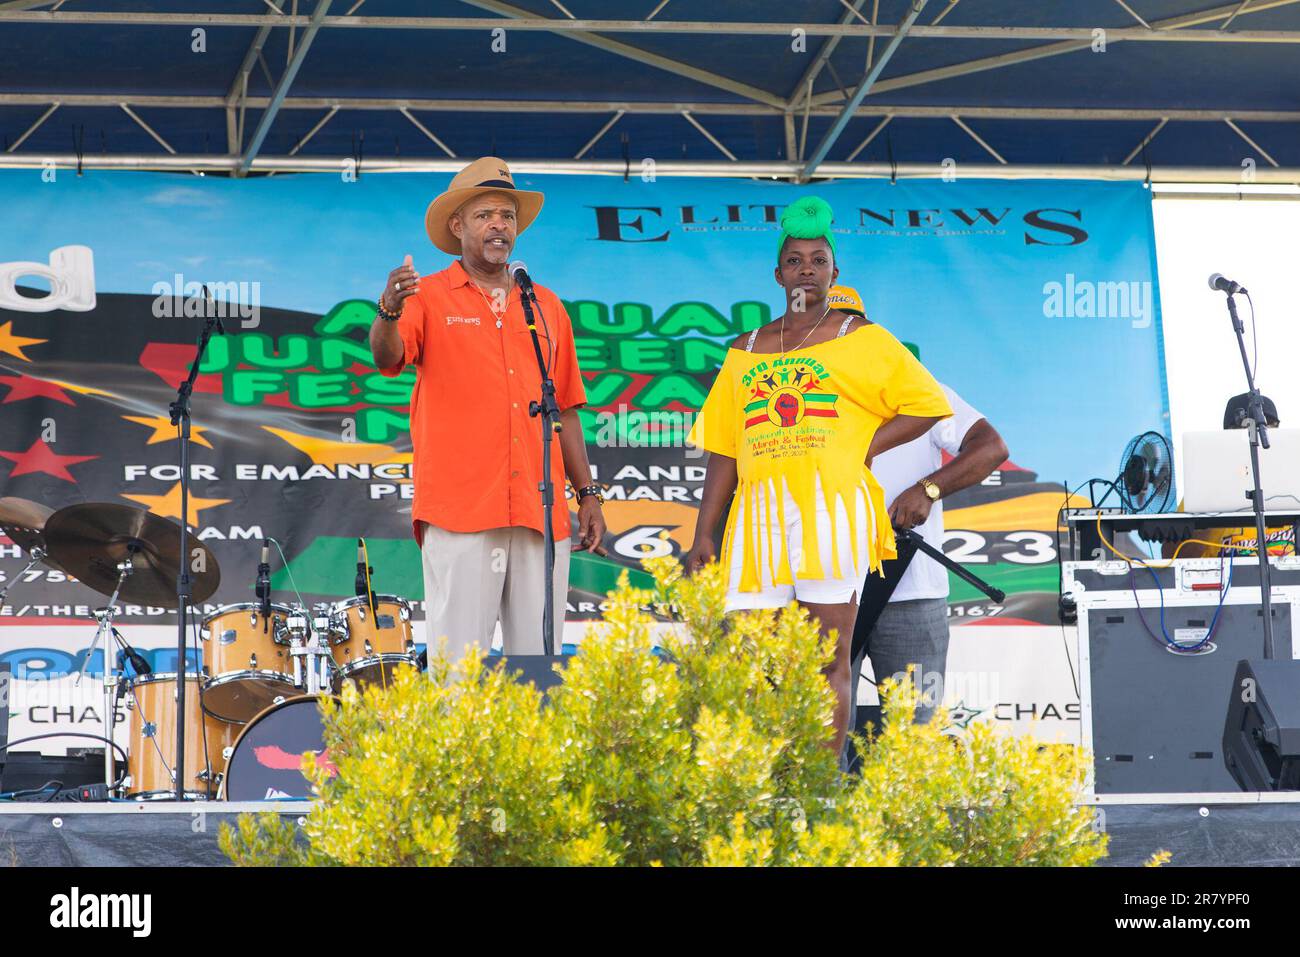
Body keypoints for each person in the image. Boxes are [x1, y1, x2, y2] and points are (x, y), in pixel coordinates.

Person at [683, 197, 953, 754]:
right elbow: (725, 448)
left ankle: (819, 787)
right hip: (757, 515)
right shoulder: (746, 349)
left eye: (818, 260)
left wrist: (861, 447)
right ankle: (760, 783)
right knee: (750, 657)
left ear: (834, 271)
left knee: (827, 658)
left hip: (832, 510)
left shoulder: (862, 336)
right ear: (778, 274)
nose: (806, 269)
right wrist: (704, 533)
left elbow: (927, 405)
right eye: (795, 260)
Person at [370, 156, 607, 662]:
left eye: (507, 216)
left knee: (539, 672)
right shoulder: (427, 297)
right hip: (461, 509)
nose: (499, 225)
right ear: (458, 227)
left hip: (539, 509)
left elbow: (564, 408)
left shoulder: (545, 305)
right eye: (485, 216)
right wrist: (388, 310)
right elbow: (387, 357)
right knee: (459, 671)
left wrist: (588, 493)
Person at [827, 283, 1009, 729]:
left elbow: (991, 447)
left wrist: (927, 489)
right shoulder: (796, 405)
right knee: (821, 734)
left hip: (912, 593)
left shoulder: (921, 390)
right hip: (825, 590)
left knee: (914, 735)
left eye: (852, 328)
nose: (843, 339)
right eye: (830, 330)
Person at [1163, 393, 1293, 559]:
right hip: (1220, 575)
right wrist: (1211, 509)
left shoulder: (1292, 483)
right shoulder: (1204, 489)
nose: (1261, 437)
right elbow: (1170, 556)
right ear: (1229, 435)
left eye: (1268, 429)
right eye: (1253, 429)